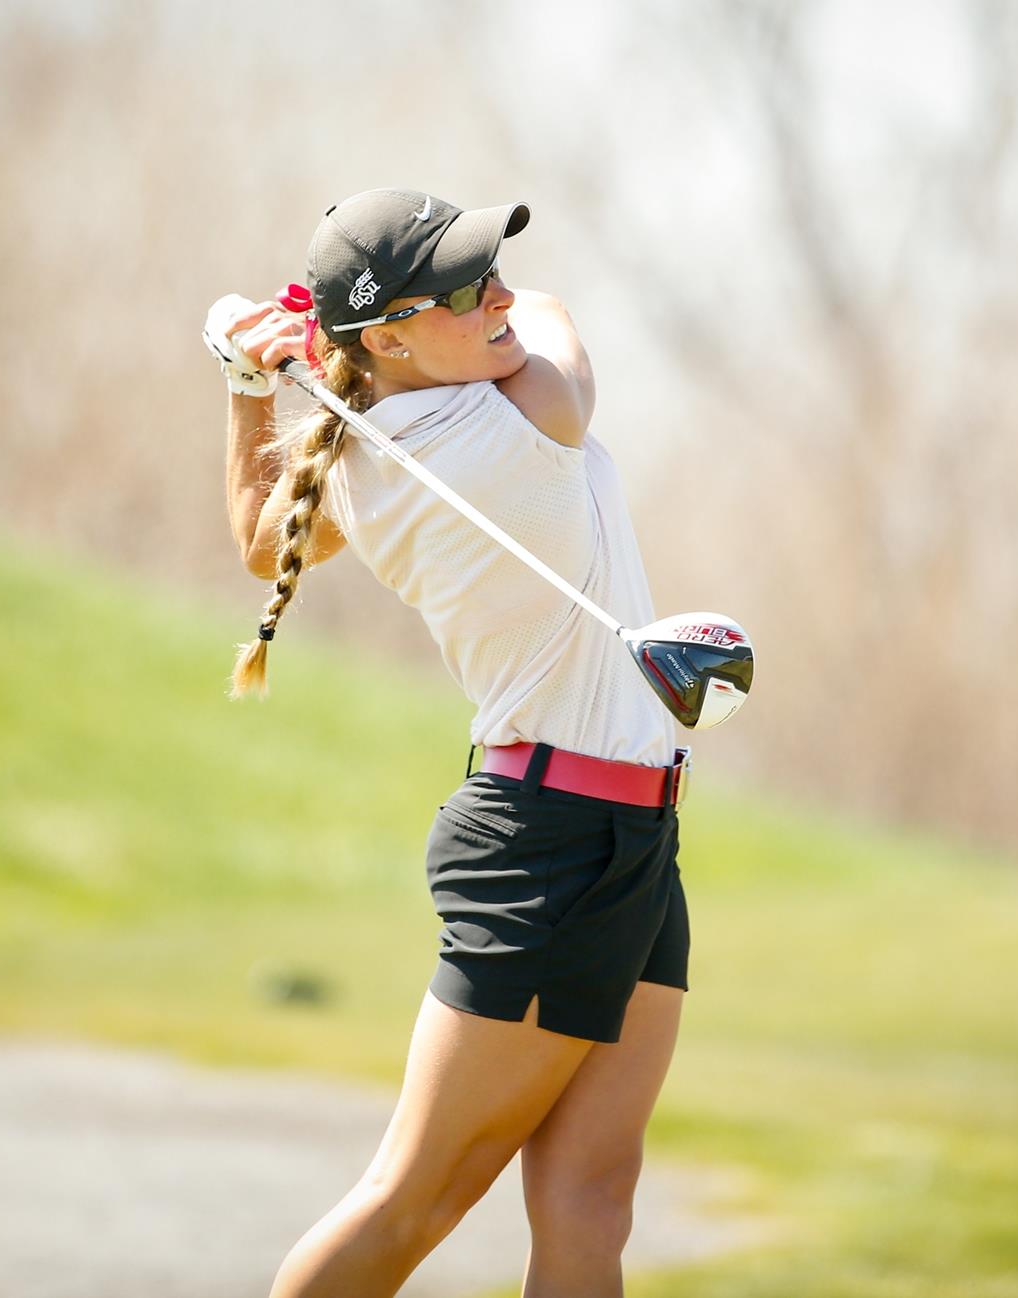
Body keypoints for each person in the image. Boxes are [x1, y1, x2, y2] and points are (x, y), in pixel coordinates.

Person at [207, 189, 692, 1298]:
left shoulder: (375, 445)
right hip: (555, 844)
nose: (502, 299)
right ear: (384, 335)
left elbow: (255, 537)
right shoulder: (509, 423)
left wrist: (246, 379)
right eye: (466, 290)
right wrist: (283, 358)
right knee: (416, 1192)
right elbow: (561, 329)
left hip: (625, 831)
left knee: (590, 1194)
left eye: (494, 274)